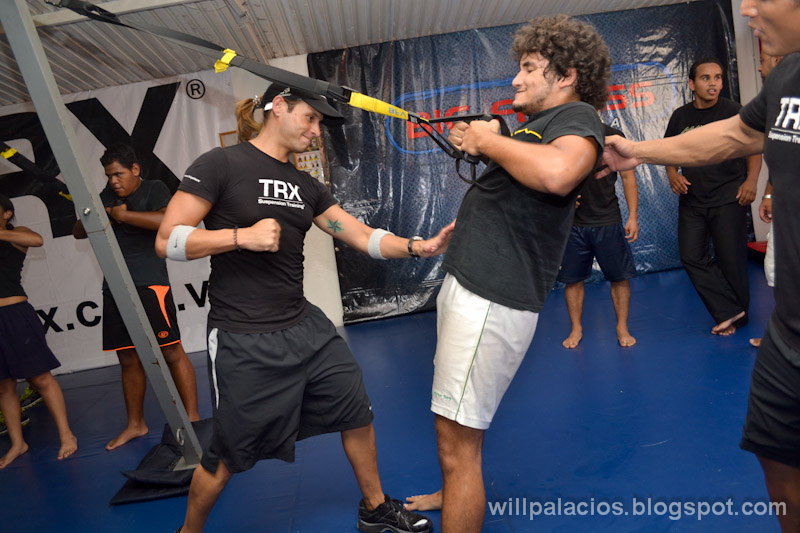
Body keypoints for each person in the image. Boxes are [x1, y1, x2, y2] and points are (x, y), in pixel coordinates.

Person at [155, 84, 452, 533]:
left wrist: (417, 246)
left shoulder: (304, 184)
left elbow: (358, 234)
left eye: (320, 124)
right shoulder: (221, 164)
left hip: (303, 324)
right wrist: (240, 237)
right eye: (310, 119)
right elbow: (167, 240)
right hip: (243, 334)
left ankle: (374, 509)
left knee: (356, 408)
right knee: (227, 453)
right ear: (279, 107)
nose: (316, 131)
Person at [405, 15, 611, 532]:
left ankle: (458, 485)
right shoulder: (538, 127)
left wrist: (488, 140)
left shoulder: (578, 116)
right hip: (478, 287)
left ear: (565, 75)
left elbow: (560, 173)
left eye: (528, 68)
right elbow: (527, 177)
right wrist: (496, 138)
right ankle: (452, 489)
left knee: (457, 441)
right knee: (456, 430)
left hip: (490, 297)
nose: (516, 79)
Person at [600, 2, 800, 529]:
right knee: (774, 452)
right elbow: (732, 136)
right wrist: (639, 151)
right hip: (790, 327)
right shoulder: (785, 82)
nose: (749, 8)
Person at [73, 144, 199, 451]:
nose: (113, 181)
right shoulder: (107, 196)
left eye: (118, 174)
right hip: (115, 286)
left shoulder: (154, 189)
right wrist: (95, 211)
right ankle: (135, 424)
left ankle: (194, 420)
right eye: (108, 176)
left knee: (171, 352)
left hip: (150, 283)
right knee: (127, 357)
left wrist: (125, 216)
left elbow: (166, 224)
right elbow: (78, 231)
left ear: (135, 170)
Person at [663, 57, 762, 336]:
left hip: (729, 197)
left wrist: (751, 180)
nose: (713, 83)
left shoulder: (735, 112)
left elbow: (754, 147)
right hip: (692, 199)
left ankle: (736, 318)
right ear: (692, 84)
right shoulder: (681, 117)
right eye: (706, 78)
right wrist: (672, 173)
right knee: (691, 256)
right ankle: (730, 310)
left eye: (717, 77)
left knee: (731, 260)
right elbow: (669, 150)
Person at [0, 194, 78, 468]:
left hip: (15, 314)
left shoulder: (16, 234)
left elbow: (37, 241)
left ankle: (67, 435)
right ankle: (18, 443)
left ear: (7, 213)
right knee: (4, 386)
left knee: (41, 379)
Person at [558, 123, 639, 349]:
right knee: (572, 280)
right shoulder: (562, 134)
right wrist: (563, 199)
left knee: (619, 277)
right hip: (573, 224)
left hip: (608, 219)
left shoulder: (612, 136)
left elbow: (628, 177)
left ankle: (622, 327)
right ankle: (576, 328)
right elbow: (548, 175)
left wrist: (632, 216)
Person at [750, 50, 783, 348]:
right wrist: (770, 192)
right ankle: (781, 336)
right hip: (787, 210)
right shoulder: (776, 105)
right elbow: (781, 158)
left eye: (762, 62)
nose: (759, 69)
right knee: (776, 271)